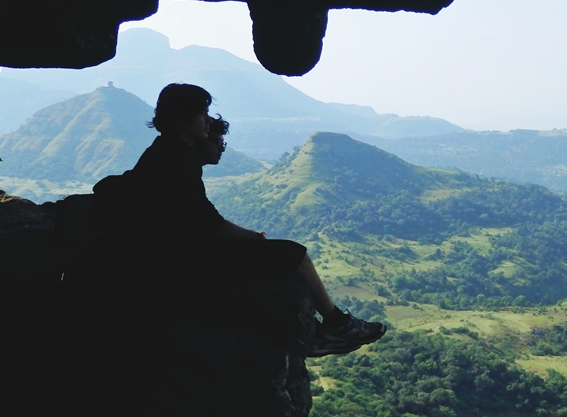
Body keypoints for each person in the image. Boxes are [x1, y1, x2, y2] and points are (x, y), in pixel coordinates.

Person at [101, 83, 384, 355]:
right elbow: (208, 224)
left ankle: (310, 332)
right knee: (294, 255)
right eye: (202, 113)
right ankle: (336, 325)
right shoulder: (173, 162)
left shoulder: (170, 155)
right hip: (177, 264)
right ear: (180, 118)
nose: (208, 121)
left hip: (166, 257)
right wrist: (254, 239)